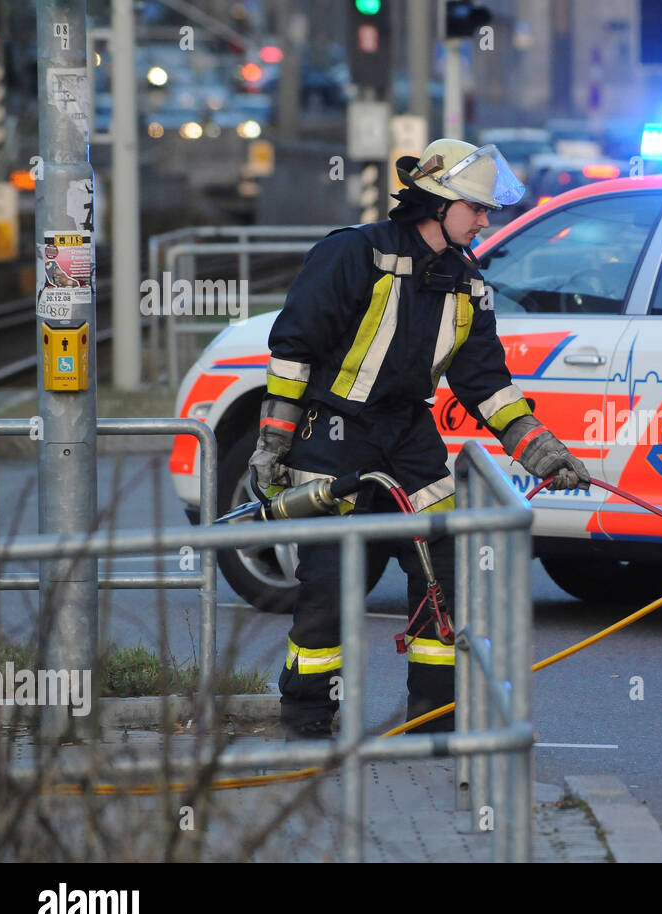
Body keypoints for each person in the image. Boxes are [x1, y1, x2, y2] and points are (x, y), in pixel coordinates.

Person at [250, 138, 591, 738]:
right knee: (329, 581)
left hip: (410, 434)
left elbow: (486, 381)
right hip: (334, 430)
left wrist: (541, 450)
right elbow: (294, 349)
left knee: (444, 573)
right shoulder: (354, 254)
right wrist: (274, 440)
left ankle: (434, 718)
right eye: (477, 209)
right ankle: (307, 714)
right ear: (437, 202)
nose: (486, 220)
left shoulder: (467, 281)